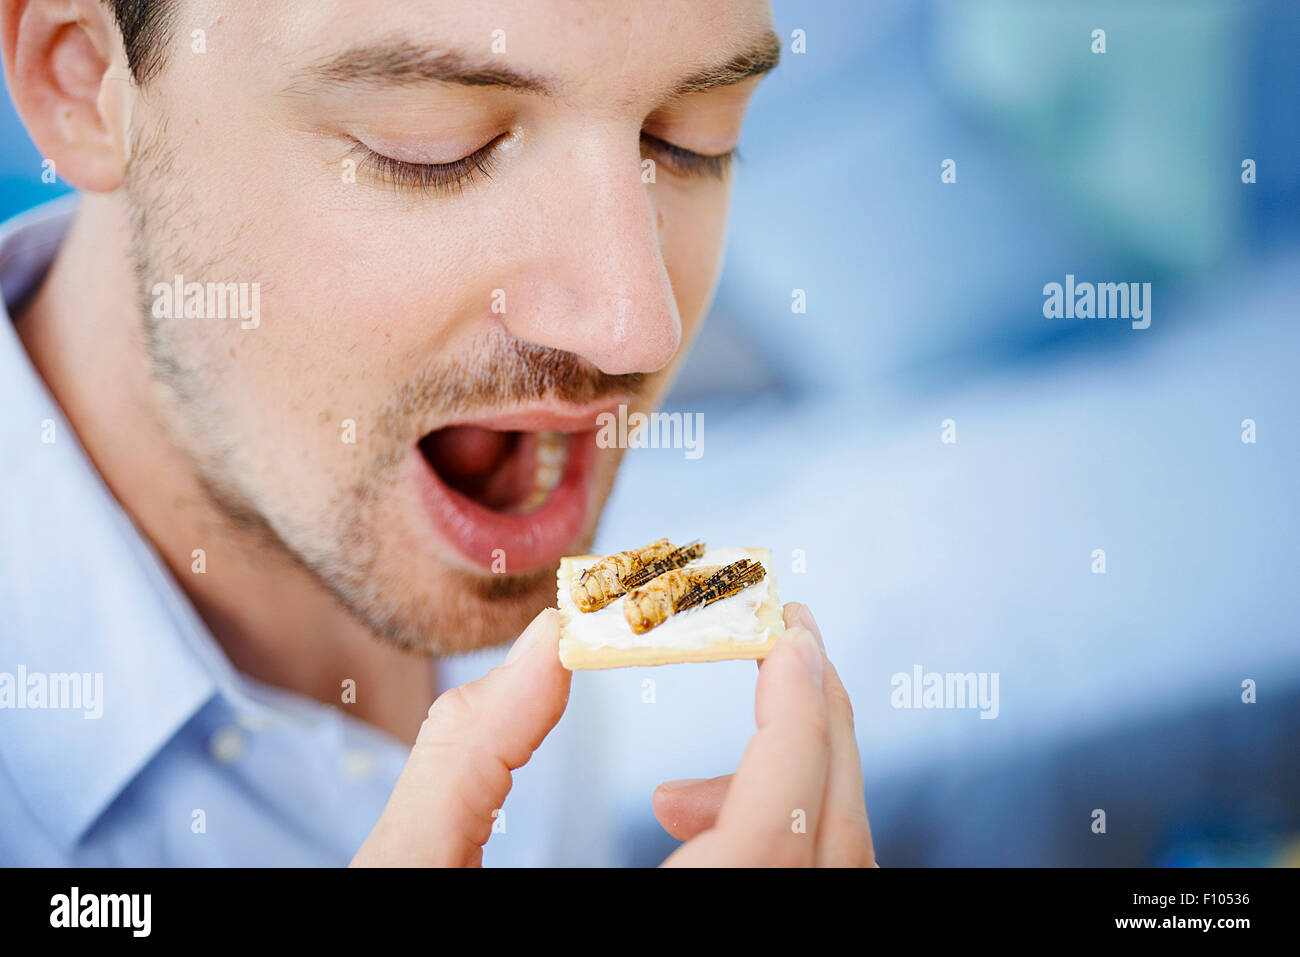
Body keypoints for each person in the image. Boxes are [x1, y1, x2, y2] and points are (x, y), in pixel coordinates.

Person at [0, 0, 874, 866]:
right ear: (79, 80)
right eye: (433, 146)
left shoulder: (503, 530)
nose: (637, 327)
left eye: (692, 140)